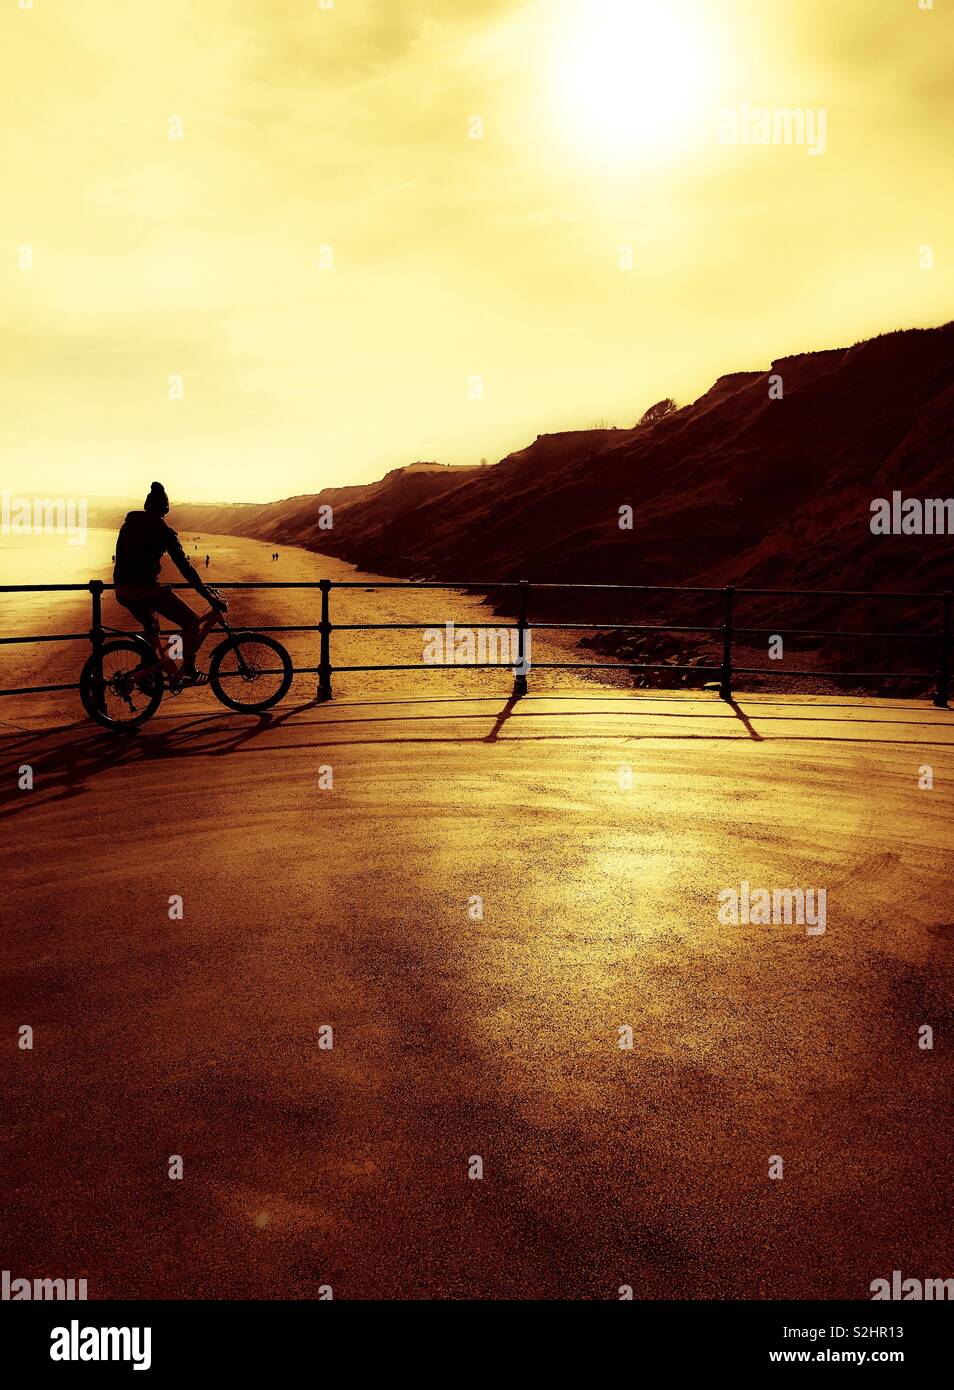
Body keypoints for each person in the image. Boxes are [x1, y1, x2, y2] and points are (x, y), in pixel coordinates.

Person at [113, 482, 225, 684]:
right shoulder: (163, 530)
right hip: (144, 589)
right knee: (191, 622)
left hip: (122, 589)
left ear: (147, 506)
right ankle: (189, 668)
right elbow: (185, 567)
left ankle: (148, 670)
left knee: (153, 628)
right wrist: (207, 595)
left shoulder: (128, 524)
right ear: (166, 509)